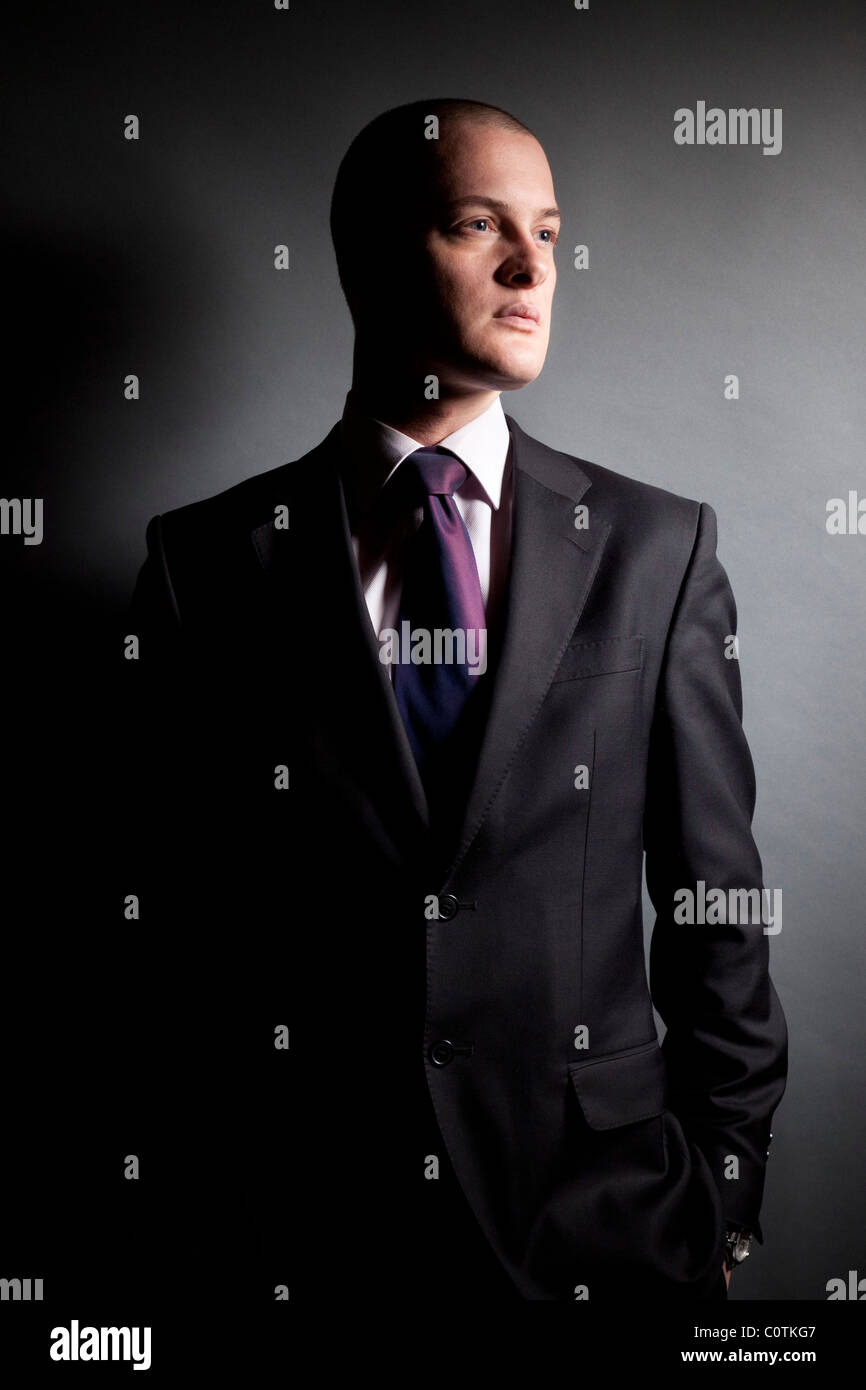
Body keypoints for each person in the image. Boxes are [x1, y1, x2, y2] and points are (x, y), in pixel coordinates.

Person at [129, 97, 787, 1303]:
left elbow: (716, 904)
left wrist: (722, 1203)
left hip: (610, 1227)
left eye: (546, 229)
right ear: (372, 253)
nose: (533, 264)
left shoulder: (653, 547)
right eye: (478, 223)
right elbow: (164, 923)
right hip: (313, 1240)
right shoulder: (207, 563)